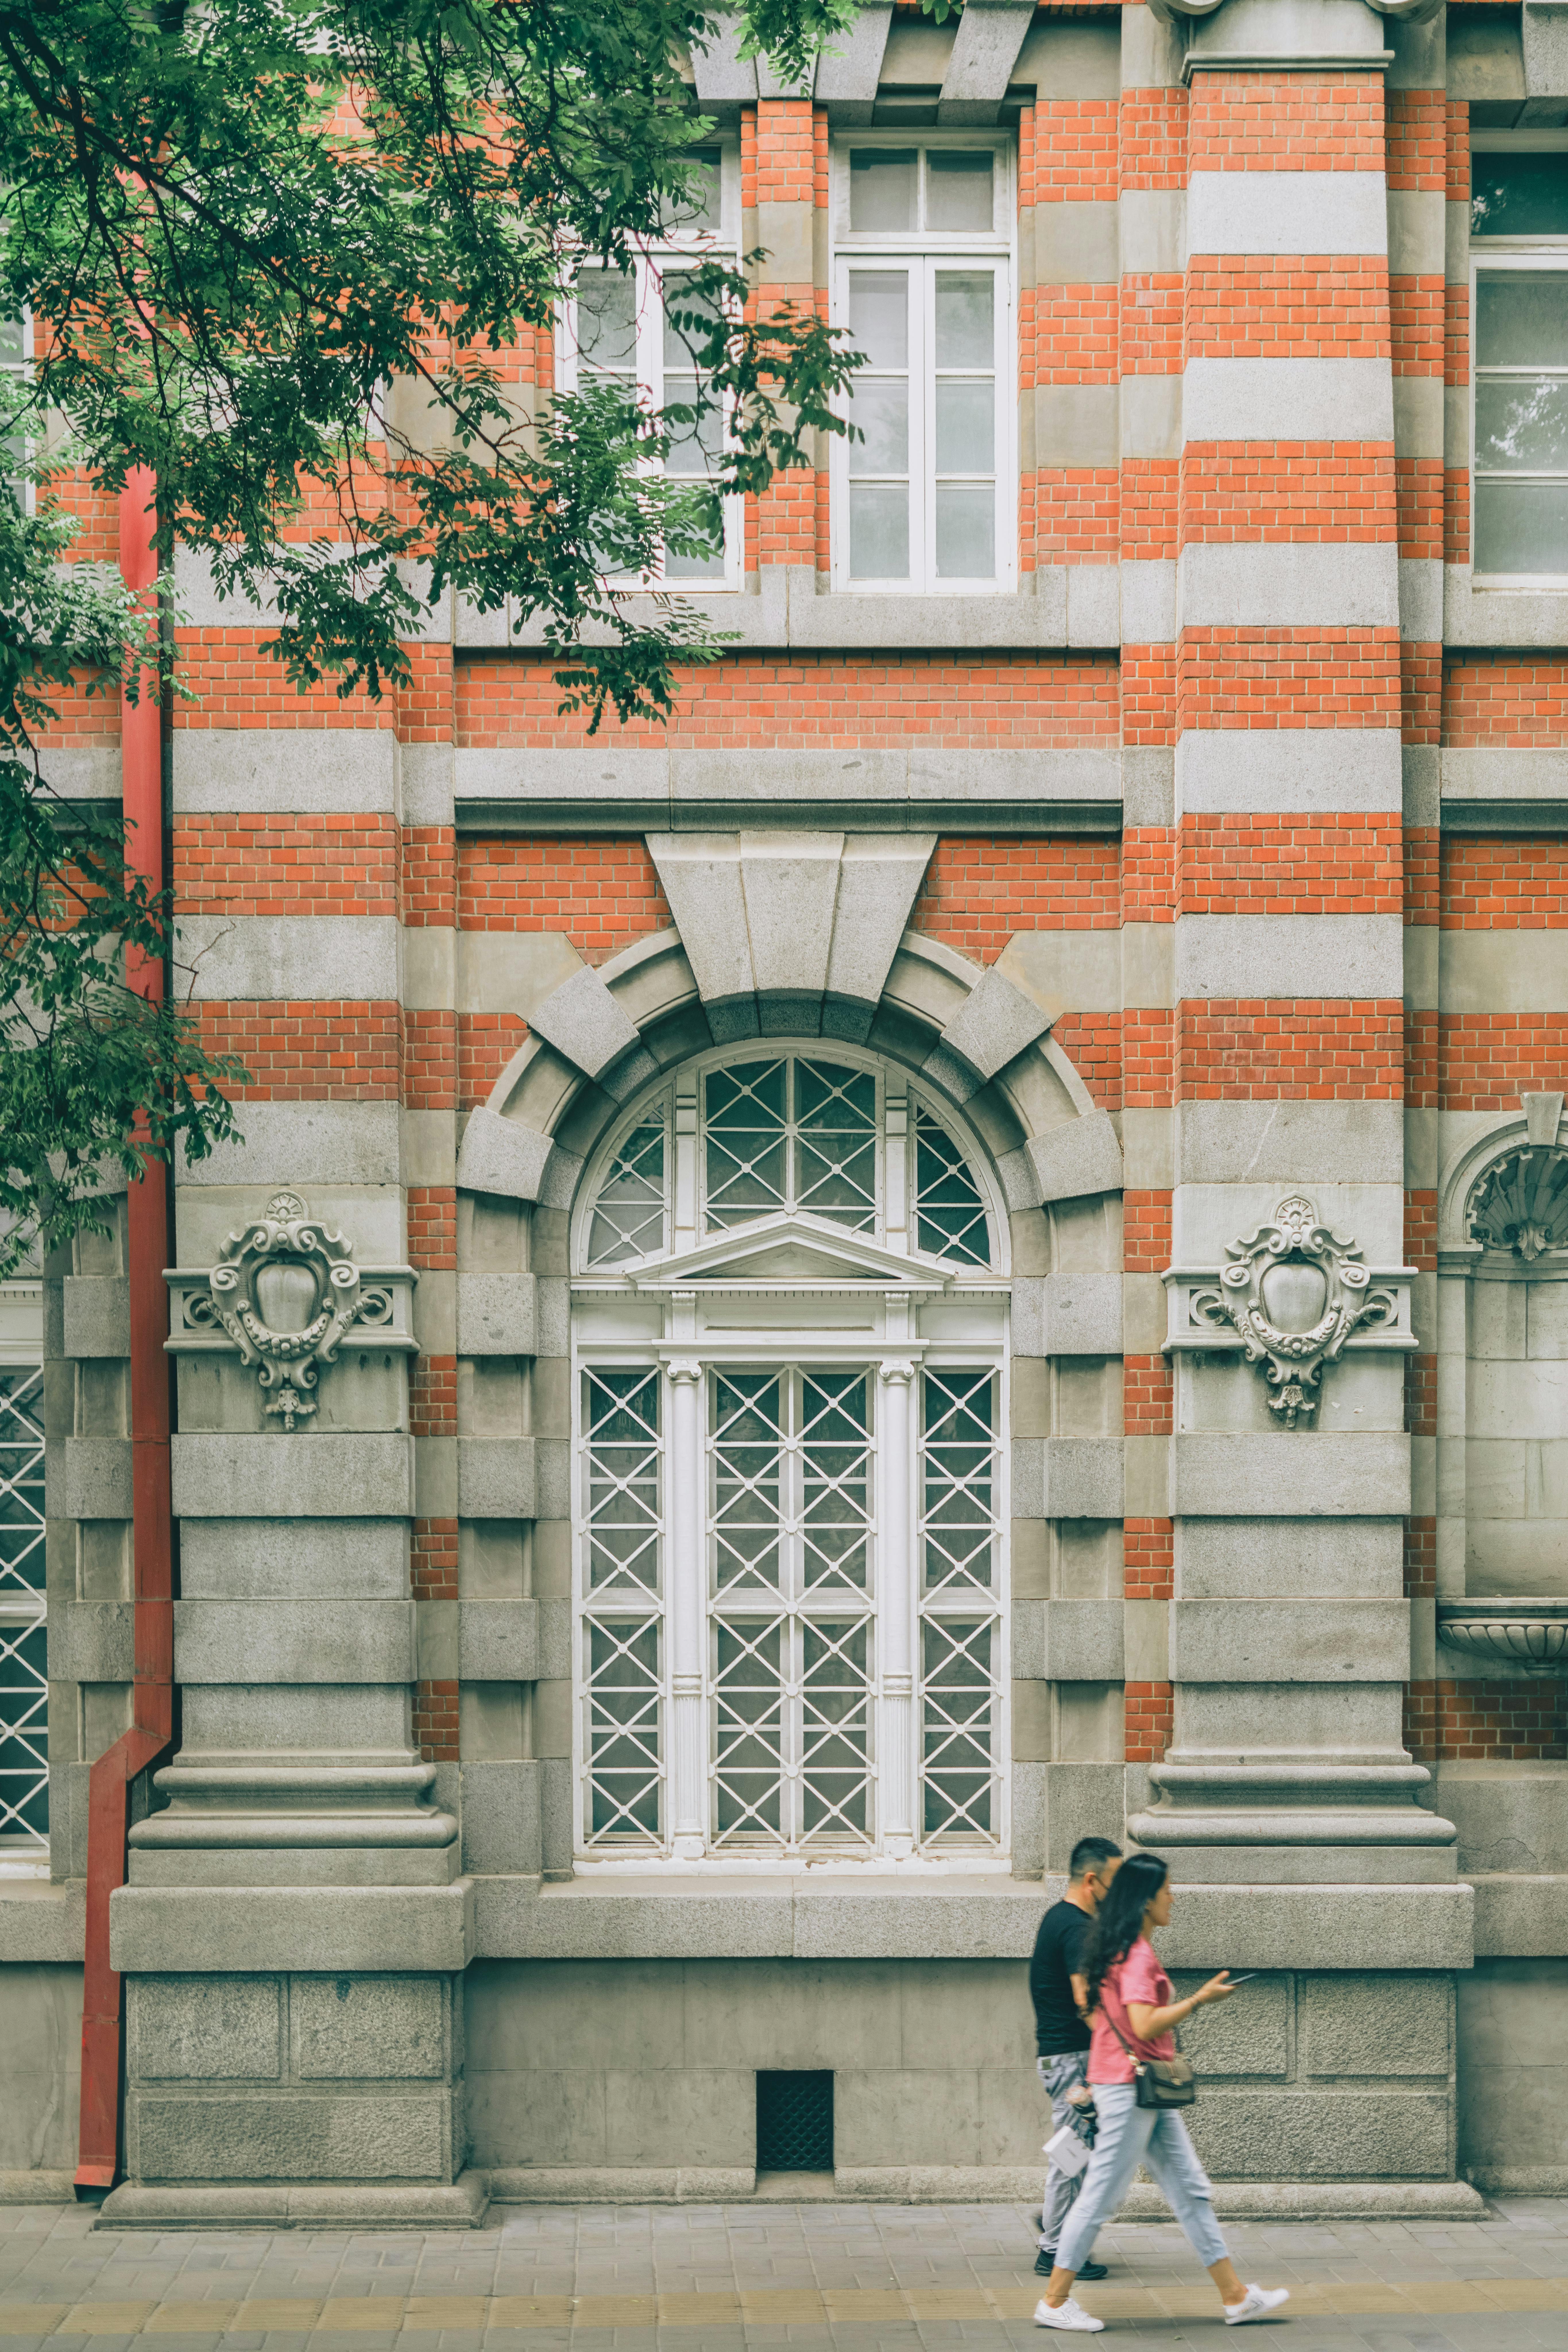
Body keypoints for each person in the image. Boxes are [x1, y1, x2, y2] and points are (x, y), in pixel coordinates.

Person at [1034, 1852, 1291, 2335]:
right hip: (1128, 2091)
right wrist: (1198, 2001)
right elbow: (1143, 2023)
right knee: (1101, 2196)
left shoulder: (1118, 1948)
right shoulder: (1135, 1955)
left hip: (1138, 2088)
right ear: (1145, 1899)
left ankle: (1236, 2297)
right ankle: (1053, 2300)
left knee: (1189, 2189)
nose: (1174, 1897)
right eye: (1167, 1889)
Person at [1028, 1835, 1122, 2279]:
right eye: (1114, 1885)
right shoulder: (1078, 1929)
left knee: (1082, 2153)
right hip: (1071, 2059)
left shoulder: (1057, 1918)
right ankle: (1053, 2250)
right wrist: (1126, 2046)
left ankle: (1056, 2225)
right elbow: (1086, 2003)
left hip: (1061, 2056)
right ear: (1091, 1881)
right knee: (1070, 2155)